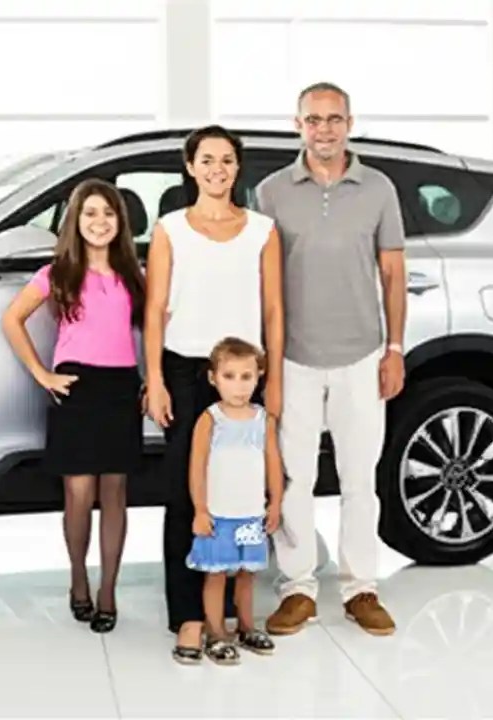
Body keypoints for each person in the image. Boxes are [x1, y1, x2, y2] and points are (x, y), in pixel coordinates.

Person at [256, 82, 406, 637]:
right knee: (294, 478)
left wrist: (394, 349)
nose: (324, 129)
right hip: (293, 357)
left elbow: (392, 273)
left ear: (349, 123)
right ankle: (297, 589)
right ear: (297, 124)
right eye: (313, 119)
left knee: (359, 477)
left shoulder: (379, 189)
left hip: (362, 356)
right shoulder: (271, 192)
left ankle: (361, 587)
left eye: (334, 119)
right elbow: (262, 278)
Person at [144, 125, 285, 662]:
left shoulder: (263, 231)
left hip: (247, 371)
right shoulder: (170, 229)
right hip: (185, 369)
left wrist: (276, 382)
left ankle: (230, 617)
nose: (217, 169)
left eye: (226, 160)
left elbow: (273, 309)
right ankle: (187, 617)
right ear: (190, 166)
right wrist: (154, 379)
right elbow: (155, 308)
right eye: (207, 159)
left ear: (237, 168)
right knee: (187, 494)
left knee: (241, 492)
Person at [1, 178, 146, 634]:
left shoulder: (133, 274)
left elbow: (150, 330)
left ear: (120, 221)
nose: (99, 222)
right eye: (90, 214)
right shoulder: (57, 273)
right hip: (77, 388)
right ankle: (79, 579)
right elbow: (12, 319)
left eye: (108, 213)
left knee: (115, 494)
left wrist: (151, 380)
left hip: (121, 387)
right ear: (75, 222)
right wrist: (42, 374)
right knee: (78, 495)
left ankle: (108, 591)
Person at [182, 337, 283, 666]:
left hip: (251, 515)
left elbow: (272, 464)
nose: (239, 387)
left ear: (259, 377)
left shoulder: (262, 420)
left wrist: (275, 503)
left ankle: (246, 626)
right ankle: (216, 632)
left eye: (246, 377)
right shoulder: (210, 420)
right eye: (230, 377)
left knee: (246, 573)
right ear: (214, 378)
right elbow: (196, 468)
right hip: (219, 517)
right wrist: (199, 509)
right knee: (216, 574)